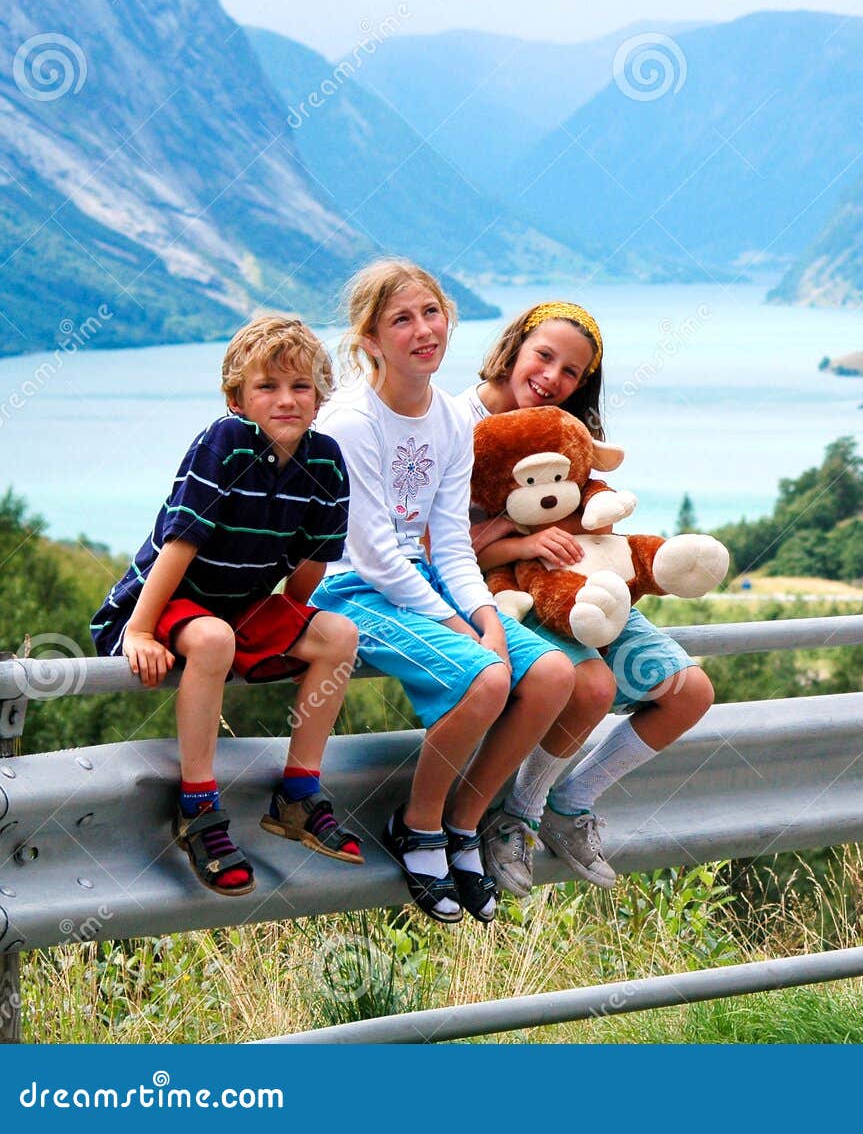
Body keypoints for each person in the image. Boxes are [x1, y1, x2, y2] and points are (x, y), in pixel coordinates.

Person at [309, 260, 576, 925]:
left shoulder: (453, 418)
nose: (424, 330)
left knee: (551, 674)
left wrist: (485, 616)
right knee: (486, 677)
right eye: (401, 319)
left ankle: (465, 822)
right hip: (351, 588)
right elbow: (375, 553)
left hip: (423, 580)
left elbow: (451, 543)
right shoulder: (350, 421)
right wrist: (464, 633)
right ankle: (417, 826)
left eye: (431, 312)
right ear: (371, 340)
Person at [90, 316, 362, 897]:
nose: (286, 400)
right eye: (267, 387)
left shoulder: (327, 460)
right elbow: (180, 543)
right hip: (165, 599)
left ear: (320, 397)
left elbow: (308, 567)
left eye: (301, 386)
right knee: (213, 639)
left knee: (338, 635)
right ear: (237, 399)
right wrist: (139, 631)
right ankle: (197, 807)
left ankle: (297, 794)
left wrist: (285, 638)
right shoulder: (225, 442)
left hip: (241, 609)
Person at [463, 301, 715, 892]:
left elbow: (591, 519)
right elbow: (440, 550)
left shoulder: (567, 433)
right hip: (504, 593)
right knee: (593, 687)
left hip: (577, 585)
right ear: (515, 347)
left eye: (571, 372)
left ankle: (570, 804)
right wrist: (518, 541)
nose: (552, 377)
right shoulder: (457, 424)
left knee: (690, 693)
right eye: (544, 356)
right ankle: (517, 816)